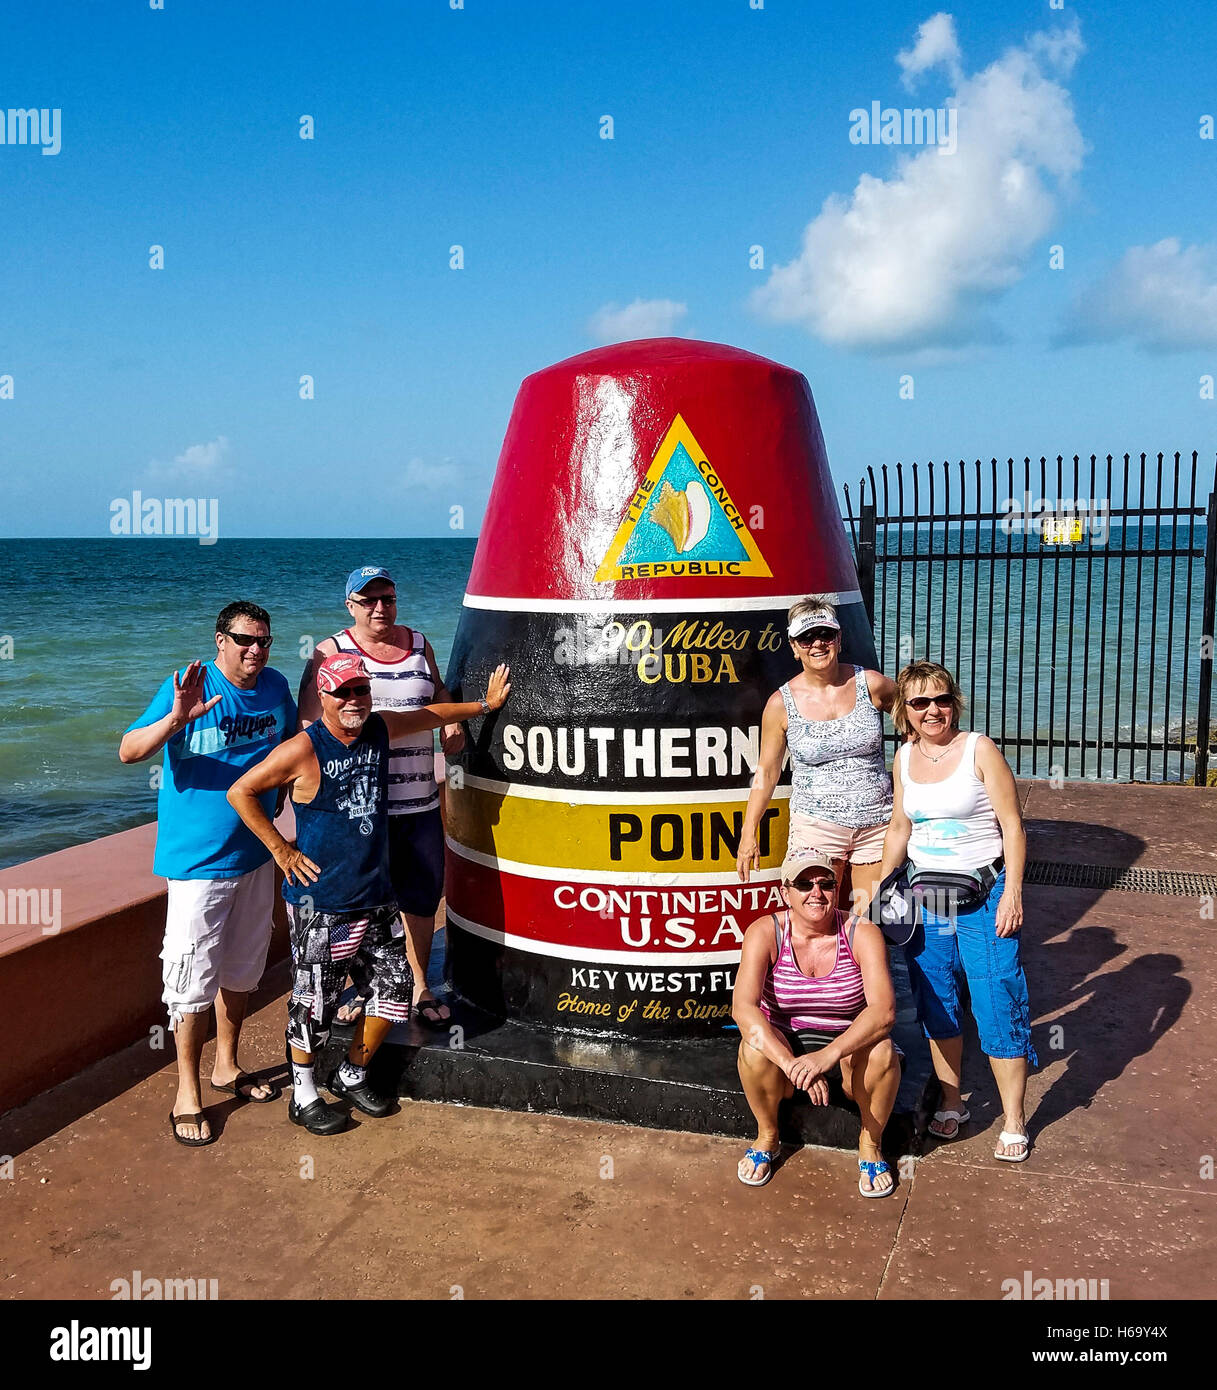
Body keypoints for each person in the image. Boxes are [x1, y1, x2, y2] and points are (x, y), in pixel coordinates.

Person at [228, 653, 510, 1135]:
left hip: (376, 898)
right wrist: (280, 850)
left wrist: (484, 705)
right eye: (342, 692)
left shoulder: (377, 729)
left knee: (395, 990)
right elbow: (241, 791)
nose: (353, 700)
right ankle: (303, 1093)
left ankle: (353, 1071)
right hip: (323, 905)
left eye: (361, 689)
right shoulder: (304, 748)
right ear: (323, 696)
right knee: (312, 1004)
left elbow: (430, 716)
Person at [119, 602, 296, 1147]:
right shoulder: (187, 686)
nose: (255, 651)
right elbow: (128, 751)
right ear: (220, 640)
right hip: (199, 864)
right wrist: (176, 719)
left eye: (264, 641)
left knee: (242, 969)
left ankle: (227, 1065)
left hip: (257, 854)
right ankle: (187, 1093)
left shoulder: (276, 687)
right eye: (244, 640)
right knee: (191, 980)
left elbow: (293, 747)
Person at [876, 660, 1036, 1162]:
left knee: (996, 999)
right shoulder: (902, 759)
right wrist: (880, 891)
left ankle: (1013, 1119)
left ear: (954, 702)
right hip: (929, 901)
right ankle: (952, 1101)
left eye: (941, 699)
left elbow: (1012, 825)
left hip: (986, 895)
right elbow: (901, 829)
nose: (933, 711)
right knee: (937, 1002)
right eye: (920, 702)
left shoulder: (979, 749)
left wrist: (1013, 893)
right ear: (904, 710)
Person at [298, 566, 461, 1027]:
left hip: (420, 799)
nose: (379, 608)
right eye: (367, 600)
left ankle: (420, 986)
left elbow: (438, 690)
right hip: (361, 807)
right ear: (350, 605)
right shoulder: (331, 651)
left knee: (422, 893)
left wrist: (452, 721)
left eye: (386, 598)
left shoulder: (418, 643)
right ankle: (365, 987)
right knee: (364, 898)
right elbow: (309, 725)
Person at [732, 847, 901, 1196]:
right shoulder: (765, 932)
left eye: (825, 883)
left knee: (883, 1050)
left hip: (846, 1047)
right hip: (788, 1045)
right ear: (785, 892)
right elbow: (743, 1009)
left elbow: (883, 1011)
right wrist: (791, 1064)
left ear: (836, 890)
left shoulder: (861, 932)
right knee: (751, 1047)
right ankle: (768, 1136)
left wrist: (827, 1057)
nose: (816, 892)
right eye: (804, 884)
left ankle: (870, 1145)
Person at [737, 596, 897, 915]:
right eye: (806, 638)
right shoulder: (780, 704)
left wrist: (919, 773)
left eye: (825, 634)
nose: (817, 644)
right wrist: (748, 831)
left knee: (867, 922)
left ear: (838, 638)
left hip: (876, 826)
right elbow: (767, 772)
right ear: (794, 647)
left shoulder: (872, 683)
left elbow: (916, 719)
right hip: (816, 829)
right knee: (816, 919)